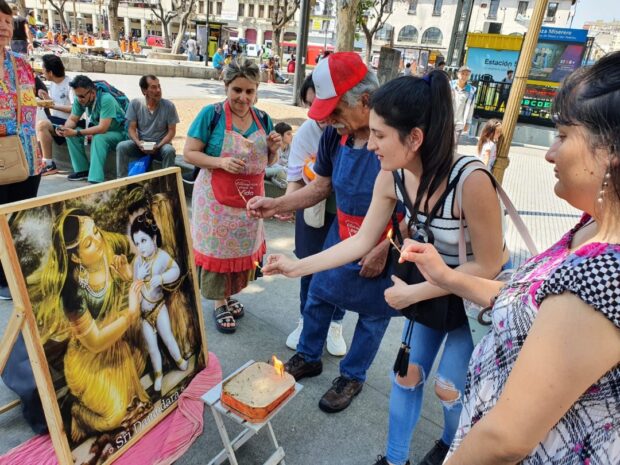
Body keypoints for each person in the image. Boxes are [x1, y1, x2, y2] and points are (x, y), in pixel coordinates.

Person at [262, 70, 505, 465]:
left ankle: (450, 444)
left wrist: (415, 292)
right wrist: (297, 266)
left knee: (447, 385)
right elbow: (359, 241)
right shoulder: (392, 176)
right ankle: (395, 460)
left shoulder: (472, 180)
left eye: (379, 135)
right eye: (369, 133)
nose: (369, 144)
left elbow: (490, 264)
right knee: (406, 376)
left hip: (476, 296)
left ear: (414, 139)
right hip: (431, 284)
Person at [402, 51, 620, 465]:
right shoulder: (591, 228)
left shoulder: (604, 274)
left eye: (563, 135)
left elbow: (506, 439)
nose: (549, 153)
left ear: (612, 150)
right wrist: (444, 275)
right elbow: (526, 300)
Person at [248, 52, 404, 414]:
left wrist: (384, 246)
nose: (331, 121)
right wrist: (275, 205)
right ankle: (309, 354)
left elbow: (414, 207)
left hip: (386, 238)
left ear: (366, 101)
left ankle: (352, 375)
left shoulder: (398, 139)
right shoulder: (336, 138)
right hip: (342, 229)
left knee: (374, 314)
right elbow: (320, 187)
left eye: (336, 111)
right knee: (318, 293)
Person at [33, 209, 150, 441]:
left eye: (96, 231)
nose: (98, 240)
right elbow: (95, 343)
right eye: (88, 242)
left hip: (115, 342)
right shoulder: (72, 293)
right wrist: (130, 314)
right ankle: (78, 413)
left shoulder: (110, 248)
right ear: (75, 257)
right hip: (87, 359)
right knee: (115, 417)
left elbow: (141, 251)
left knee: (141, 365)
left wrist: (128, 278)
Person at [183, 60, 281, 334]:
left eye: (249, 91)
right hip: (215, 201)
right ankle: (218, 303)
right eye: (237, 89)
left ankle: (228, 296)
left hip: (249, 201)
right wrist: (220, 162)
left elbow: (267, 160)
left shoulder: (262, 118)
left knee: (239, 252)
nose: (243, 98)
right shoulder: (210, 115)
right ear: (226, 86)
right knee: (218, 252)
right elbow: (190, 153)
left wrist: (274, 149)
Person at [283, 74, 347, 356]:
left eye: (321, 104)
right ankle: (306, 321)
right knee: (309, 268)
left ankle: (335, 323)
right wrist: (284, 205)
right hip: (313, 212)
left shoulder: (357, 131)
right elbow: (295, 178)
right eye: (310, 105)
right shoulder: (308, 131)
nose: (317, 114)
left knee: (343, 269)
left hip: (346, 214)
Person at [0, 0, 43, 302]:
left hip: (28, 155)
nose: (4, 26)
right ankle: (2, 279)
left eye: (7, 21)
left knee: (21, 217)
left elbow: (30, 105)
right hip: (2, 154)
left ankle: (18, 273)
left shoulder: (21, 62)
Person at [130, 210, 188, 393]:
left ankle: (179, 360)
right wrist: (138, 278)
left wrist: (161, 278)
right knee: (152, 348)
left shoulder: (162, 257)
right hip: (144, 314)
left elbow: (176, 271)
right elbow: (134, 288)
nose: (141, 247)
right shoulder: (137, 262)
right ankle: (158, 374)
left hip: (158, 307)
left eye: (144, 241)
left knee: (168, 337)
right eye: (137, 243)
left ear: (154, 239)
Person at [59, 75, 127, 183]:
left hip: (119, 133)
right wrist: (64, 129)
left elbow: (102, 128)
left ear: (92, 92)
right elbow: (72, 119)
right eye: (77, 96)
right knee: (70, 135)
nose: (79, 99)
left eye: (82, 96)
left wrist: (77, 132)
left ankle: (95, 179)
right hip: (102, 131)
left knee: (99, 137)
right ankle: (82, 170)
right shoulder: (79, 98)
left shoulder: (106, 99)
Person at [116, 75, 179, 178]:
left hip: (161, 145)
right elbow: (131, 129)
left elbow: (171, 131)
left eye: (159, 86)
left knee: (169, 151)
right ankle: (121, 184)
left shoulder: (169, 106)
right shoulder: (135, 104)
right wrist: (138, 143)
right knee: (122, 146)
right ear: (144, 90)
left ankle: (168, 186)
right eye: (153, 87)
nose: (158, 90)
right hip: (141, 145)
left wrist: (158, 146)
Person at [36, 54, 76, 176]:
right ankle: (39, 159)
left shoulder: (70, 85)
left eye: (43, 69)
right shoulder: (53, 84)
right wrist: (46, 98)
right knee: (35, 118)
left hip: (71, 123)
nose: (42, 72)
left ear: (51, 72)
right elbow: (55, 103)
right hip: (58, 121)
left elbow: (75, 109)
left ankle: (48, 164)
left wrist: (51, 105)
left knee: (42, 125)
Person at [451, 65, 476, 144]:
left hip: (459, 122)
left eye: (467, 74)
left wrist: (468, 122)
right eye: (463, 73)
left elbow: (471, 108)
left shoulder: (471, 91)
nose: (464, 76)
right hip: (447, 120)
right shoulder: (449, 85)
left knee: (453, 144)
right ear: (458, 74)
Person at [265, 121, 292, 190]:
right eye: (288, 134)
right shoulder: (274, 146)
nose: (291, 136)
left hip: (284, 172)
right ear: (280, 135)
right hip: (269, 170)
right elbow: (270, 164)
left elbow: (291, 164)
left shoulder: (290, 148)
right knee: (279, 171)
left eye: (291, 134)